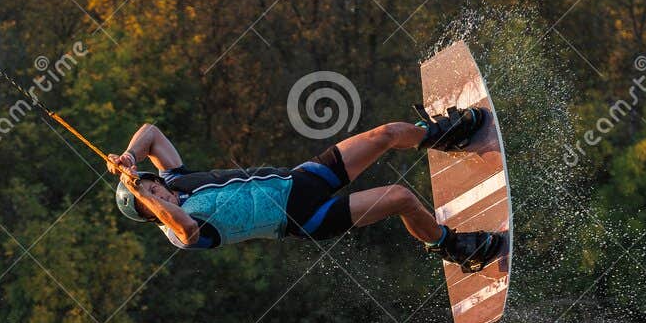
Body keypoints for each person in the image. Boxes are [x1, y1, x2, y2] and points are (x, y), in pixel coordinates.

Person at [108, 106, 504, 271]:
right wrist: (142, 196)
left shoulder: (174, 178)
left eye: (155, 187)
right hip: (306, 219)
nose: (161, 193)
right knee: (400, 197)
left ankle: (441, 136)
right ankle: (452, 247)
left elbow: (152, 134)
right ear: (151, 213)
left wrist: (130, 157)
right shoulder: (180, 233)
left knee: (385, 134)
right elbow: (183, 225)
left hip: (302, 178)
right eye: (153, 199)